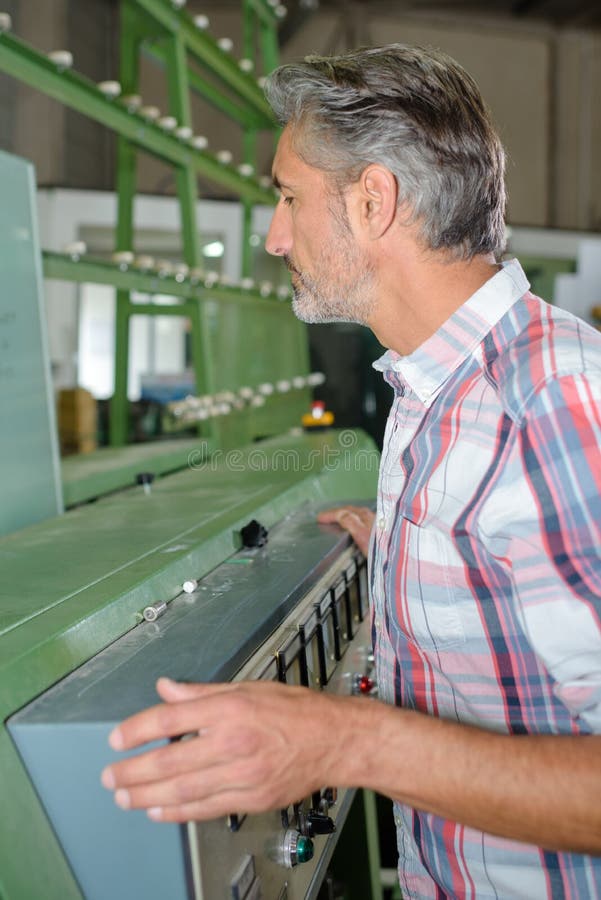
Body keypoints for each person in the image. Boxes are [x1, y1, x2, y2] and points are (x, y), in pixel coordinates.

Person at [101, 45, 601, 896]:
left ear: (373, 202)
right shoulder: (433, 385)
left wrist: (344, 742)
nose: (274, 234)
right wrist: (417, 556)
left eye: (289, 196)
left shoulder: (552, 402)